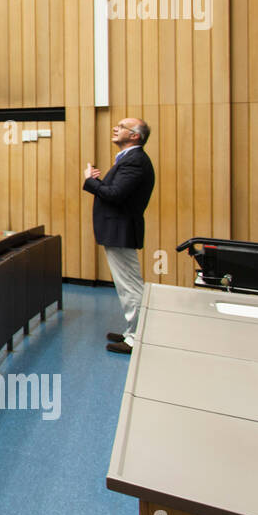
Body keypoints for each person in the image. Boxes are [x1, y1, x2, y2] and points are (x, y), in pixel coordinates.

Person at [83, 118, 156, 354]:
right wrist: (97, 182)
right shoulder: (129, 159)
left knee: (130, 285)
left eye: (122, 126)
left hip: (120, 229)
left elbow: (115, 195)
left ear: (135, 136)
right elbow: (117, 193)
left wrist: (91, 182)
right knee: (128, 283)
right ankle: (132, 330)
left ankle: (136, 337)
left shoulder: (134, 161)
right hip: (118, 228)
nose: (116, 128)